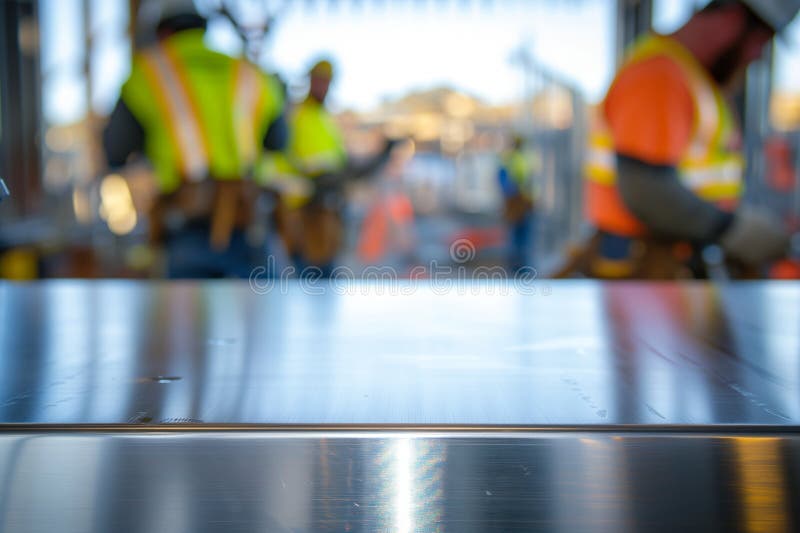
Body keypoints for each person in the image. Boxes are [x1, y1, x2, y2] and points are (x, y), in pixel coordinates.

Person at [583, 0, 799, 279]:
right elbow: (646, 190)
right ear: (732, 18)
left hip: (668, 264)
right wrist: (731, 228)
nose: (757, 55)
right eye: (760, 40)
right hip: (644, 269)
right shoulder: (658, 75)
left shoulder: (690, 77)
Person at [103, 0, 287, 278]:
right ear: (203, 28)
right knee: (258, 318)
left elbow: (115, 151)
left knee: (185, 320)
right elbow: (279, 141)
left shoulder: (147, 73)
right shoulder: (247, 73)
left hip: (186, 226)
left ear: (162, 33)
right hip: (248, 223)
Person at [268, 59, 395, 277]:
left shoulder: (326, 120)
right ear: (309, 80)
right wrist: (294, 187)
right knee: (306, 281)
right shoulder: (295, 116)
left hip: (326, 214)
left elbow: (342, 166)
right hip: (303, 213)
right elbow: (277, 160)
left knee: (325, 281)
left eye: (326, 81)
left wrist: (382, 156)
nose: (322, 86)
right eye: (318, 80)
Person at [497, 135, 539, 273]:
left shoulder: (515, 159)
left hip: (522, 204)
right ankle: (520, 270)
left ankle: (520, 270)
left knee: (520, 239)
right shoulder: (517, 159)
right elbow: (509, 183)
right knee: (519, 239)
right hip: (519, 204)